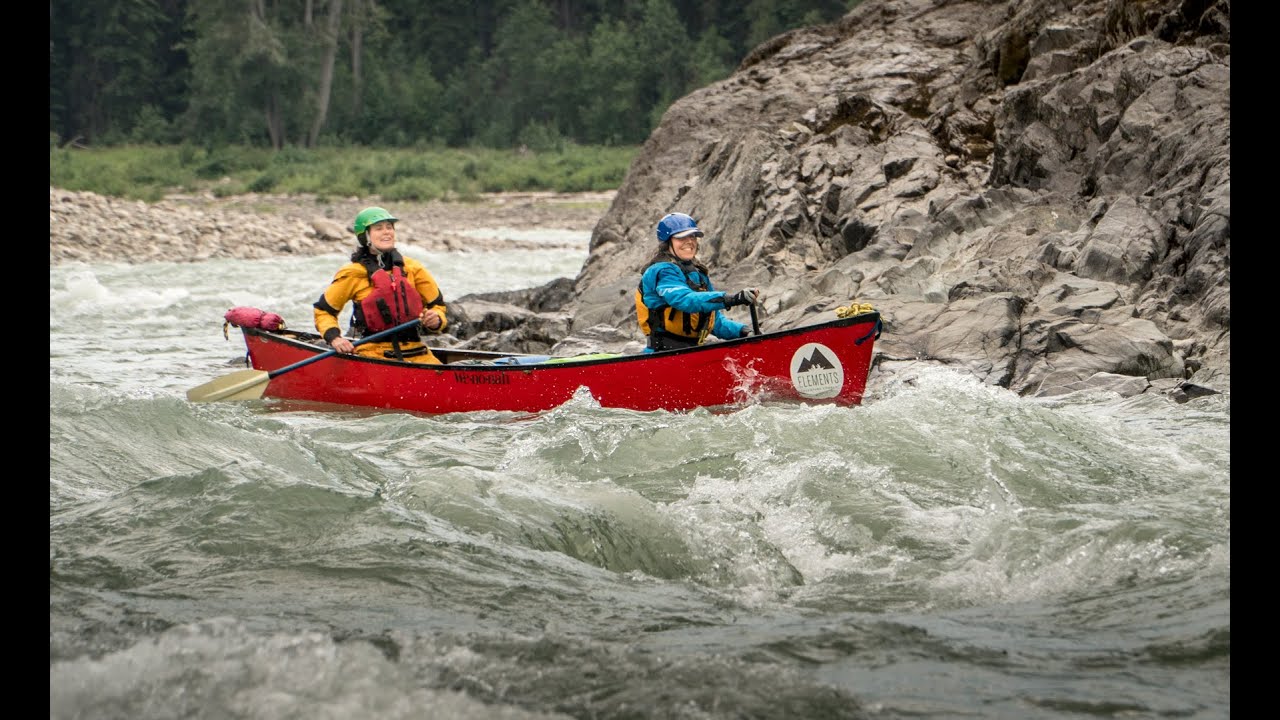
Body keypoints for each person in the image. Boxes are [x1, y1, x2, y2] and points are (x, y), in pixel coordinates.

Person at [313, 206, 448, 364]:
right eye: (379, 228)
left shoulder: (413, 268)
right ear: (365, 236)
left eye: (389, 227)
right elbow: (323, 311)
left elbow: (438, 306)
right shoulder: (353, 273)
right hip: (372, 354)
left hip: (417, 351)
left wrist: (437, 319)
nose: (387, 232)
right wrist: (335, 338)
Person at [635, 212, 758, 353]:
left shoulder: (698, 273)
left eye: (692, 236)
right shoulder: (661, 271)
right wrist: (730, 299)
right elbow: (684, 300)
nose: (689, 241)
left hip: (691, 351)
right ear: (668, 242)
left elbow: (714, 321)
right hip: (662, 354)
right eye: (681, 237)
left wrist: (743, 331)